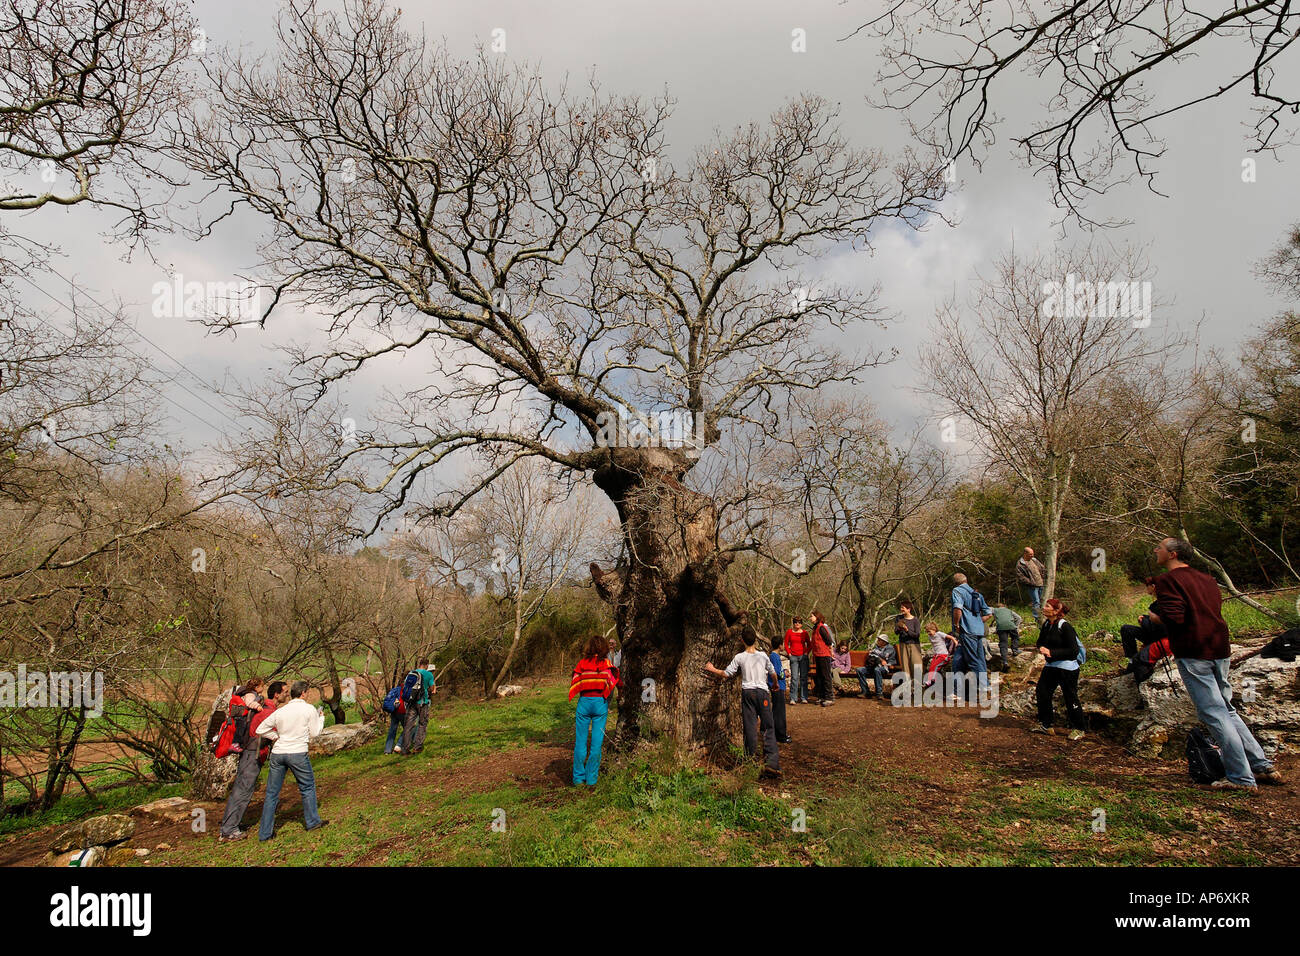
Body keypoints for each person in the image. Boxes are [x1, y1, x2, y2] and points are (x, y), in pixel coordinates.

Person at [1150, 537, 1283, 790]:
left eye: (1160, 548)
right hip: (1219, 647)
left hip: (1194, 651)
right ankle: (1260, 765)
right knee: (1227, 709)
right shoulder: (1208, 579)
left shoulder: (1167, 580)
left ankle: (1241, 778)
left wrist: (1155, 617)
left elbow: (1175, 617)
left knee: (1214, 713)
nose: (1155, 550)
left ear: (1173, 554)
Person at [256, 681, 328, 842]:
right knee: (307, 787)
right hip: (297, 752)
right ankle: (312, 822)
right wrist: (321, 719)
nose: (308, 695)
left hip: (278, 752)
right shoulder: (309, 709)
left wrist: (276, 737)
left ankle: (265, 833)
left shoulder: (282, 710)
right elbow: (315, 733)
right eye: (307, 692)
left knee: (272, 794)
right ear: (303, 693)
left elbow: (260, 729)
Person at [704, 629, 781, 776]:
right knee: (768, 727)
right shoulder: (763, 656)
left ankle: (750, 762)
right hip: (763, 693)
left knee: (750, 727)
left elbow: (726, 673)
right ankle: (772, 764)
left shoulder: (740, 657)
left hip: (748, 694)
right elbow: (773, 673)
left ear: (742, 640)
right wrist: (775, 685)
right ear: (755, 640)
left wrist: (712, 668)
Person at [219, 680, 287, 842]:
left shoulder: (266, 707)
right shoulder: (266, 711)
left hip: (251, 753)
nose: (287, 694)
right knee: (243, 790)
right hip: (252, 754)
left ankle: (231, 825)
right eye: (285, 691)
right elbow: (256, 731)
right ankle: (229, 830)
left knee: (243, 789)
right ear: (277, 694)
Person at [1032, 599, 1086, 740]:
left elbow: (1073, 651)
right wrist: (1041, 648)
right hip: (1051, 666)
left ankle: (1079, 728)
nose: (1044, 608)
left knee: (1070, 696)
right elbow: (1040, 641)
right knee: (1042, 692)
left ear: (1056, 611)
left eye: (1047, 606)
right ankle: (1046, 725)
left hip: (1067, 668)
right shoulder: (1046, 625)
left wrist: (1052, 653)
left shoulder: (1065, 626)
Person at [569, 635, 619, 786]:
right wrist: (621, 689)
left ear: (588, 647)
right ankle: (591, 779)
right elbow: (615, 678)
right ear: (604, 647)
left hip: (584, 703)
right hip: (600, 704)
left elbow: (575, 679)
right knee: (597, 743)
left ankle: (578, 778)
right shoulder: (606, 663)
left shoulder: (581, 663)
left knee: (580, 742)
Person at [1121, 577, 1171, 686]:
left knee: (1139, 660)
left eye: (1147, 586)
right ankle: (1130, 658)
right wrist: (1145, 618)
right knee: (1126, 629)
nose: (1146, 589)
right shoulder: (1158, 602)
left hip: (1161, 637)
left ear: (1153, 587)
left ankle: (1143, 682)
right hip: (1154, 634)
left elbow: (1159, 627)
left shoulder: (1163, 602)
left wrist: (1144, 621)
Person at [949, 573, 990, 694]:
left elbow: (957, 609)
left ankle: (985, 685)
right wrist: (977, 621)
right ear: (966, 580)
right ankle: (957, 691)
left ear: (955, 583)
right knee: (974, 659)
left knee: (973, 659)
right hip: (978, 631)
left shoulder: (957, 591)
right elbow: (988, 613)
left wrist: (957, 624)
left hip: (966, 631)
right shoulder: (976, 594)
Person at [400, 659, 437, 755]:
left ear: (419, 664)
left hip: (411, 702)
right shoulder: (428, 674)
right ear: (426, 665)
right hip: (422, 702)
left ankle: (405, 749)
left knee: (408, 725)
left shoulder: (411, 673)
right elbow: (432, 688)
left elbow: (405, 686)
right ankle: (417, 747)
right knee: (422, 723)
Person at [986, 602, 1023, 672]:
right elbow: (1019, 618)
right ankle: (1015, 650)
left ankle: (1005, 661)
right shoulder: (1009, 611)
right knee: (1015, 637)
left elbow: (987, 609)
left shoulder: (994, 610)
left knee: (1003, 643)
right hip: (1012, 626)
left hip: (1001, 628)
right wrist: (1016, 626)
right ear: (1004, 606)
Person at [894, 601, 924, 688]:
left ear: (908, 609)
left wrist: (907, 630)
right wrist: (900, 627)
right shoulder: (899, 618)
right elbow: (896, 632)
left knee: (916, 666)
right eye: (901, 607)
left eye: (903, 607)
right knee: (905, 668)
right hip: (903, 645)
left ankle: (918, 688)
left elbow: (917, 635)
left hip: (914, 645)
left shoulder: (915, 620)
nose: (901, 609)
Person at [809, 611, 836, 707]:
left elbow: (829, 641)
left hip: (824, 655)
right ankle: (822, 696)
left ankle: (829, 697)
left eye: (812, 616)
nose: (810, 618)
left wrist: (831, 652)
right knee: (819, 676)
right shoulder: (815, 628)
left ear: (817, 617)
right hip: (818, 655)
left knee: (826, 676)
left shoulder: (821, 627)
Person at [768, 638, 791, 744]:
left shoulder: (773, 656)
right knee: (779, 712)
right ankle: (781, 735)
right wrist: (785, 674)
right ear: (780, 645)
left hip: (777, 686)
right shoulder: (774, 656)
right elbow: (777, 672)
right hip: (777, 686)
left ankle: (778, 734)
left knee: (777, 711)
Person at [784, 616, 810, 704]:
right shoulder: (789, 632)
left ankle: (804, 697)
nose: (797, 624)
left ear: (801, 624)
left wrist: (807, 652)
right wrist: (789, 653)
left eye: (799, 622)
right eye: (795, 622)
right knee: (794, 678)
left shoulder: (805, 633)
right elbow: (786, 644)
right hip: (793, 657)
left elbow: (809, 644)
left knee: (803, 677)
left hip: (803, 656)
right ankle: (793, 698)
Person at [1016, 548, 1047, 623]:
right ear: (1025, 553)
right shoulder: (1020, 563)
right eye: (1030, 554)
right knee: (1036, 602)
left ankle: (1044, 617)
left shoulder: (1034, 560)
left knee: (1043, 601)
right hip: (1032, 586)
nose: (1032, 555)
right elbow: (1021, 577)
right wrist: (1030, 582)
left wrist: (1044, 576)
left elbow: (1042, 568)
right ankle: (1037, 619)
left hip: (1041, 584)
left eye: (1032, 554)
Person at [923, 622, 955, 687]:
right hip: (937, 655)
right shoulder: (930, 637)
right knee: (931, 665)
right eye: (927, 632)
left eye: (929, 631)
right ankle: (933, 680)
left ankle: (931, 680)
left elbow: (950, 637)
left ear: (934, 629)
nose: (928, 633)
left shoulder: (939, 634)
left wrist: (955, 641)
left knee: (935, 666)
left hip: (943, 655)